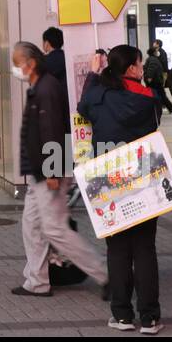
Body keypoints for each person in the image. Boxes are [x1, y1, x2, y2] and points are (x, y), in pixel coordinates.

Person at [78, 45, 164, 333]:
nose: (142, 69)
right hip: (141, 176)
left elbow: (82, 107)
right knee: (144, 248)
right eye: (139, 64)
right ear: (131, 69)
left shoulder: (98, 95)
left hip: (107, 179)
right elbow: (156, 122)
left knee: (116, 249)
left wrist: (93, 72)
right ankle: (150, 318)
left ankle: (122, 315)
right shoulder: (149, 97)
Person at [12, 41, 109, 298]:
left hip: (49, 171)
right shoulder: (39, 87)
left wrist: (53, 171)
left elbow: (52, 130)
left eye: (16, 62)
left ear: (30, 63)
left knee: (55, 229)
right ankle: (37, 281)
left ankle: (104, 275)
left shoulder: (47, 88)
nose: (15, 68)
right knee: (32, 225)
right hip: (39, 171)